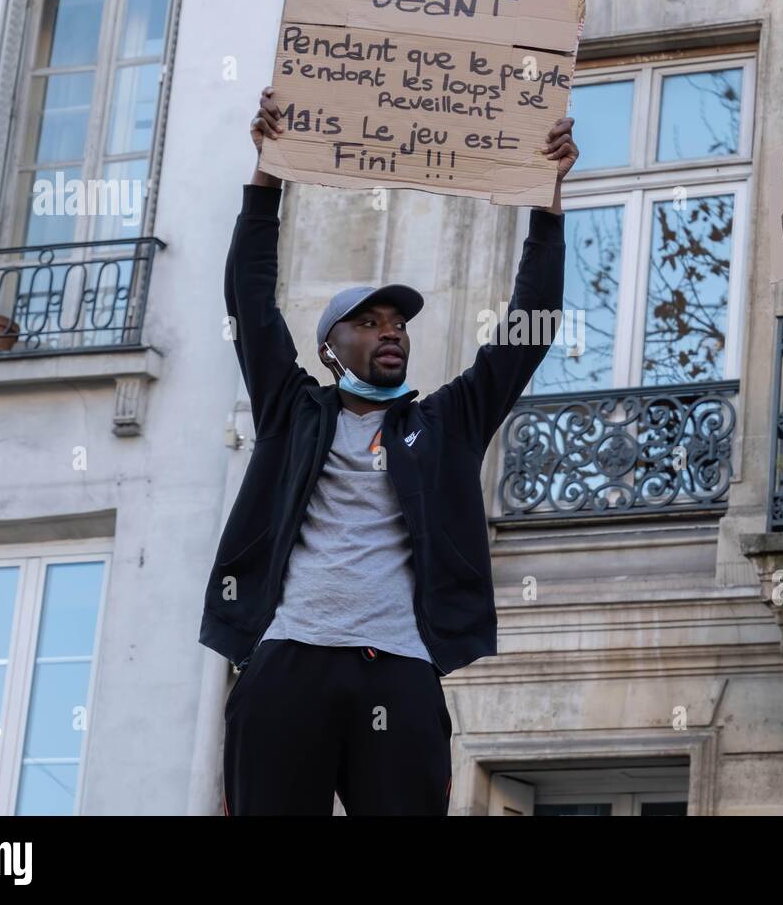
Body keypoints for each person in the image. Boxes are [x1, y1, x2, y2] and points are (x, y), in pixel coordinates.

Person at [200, 86, 577, 815]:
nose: (390, 331)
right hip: (288, 659)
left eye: (397, 322)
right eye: (368, 322)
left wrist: (549, 197)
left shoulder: (446, 424)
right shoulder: (292, 409)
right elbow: (249, 299)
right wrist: (266, 172)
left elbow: (531, 326)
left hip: (397, 668)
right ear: (330, 348)